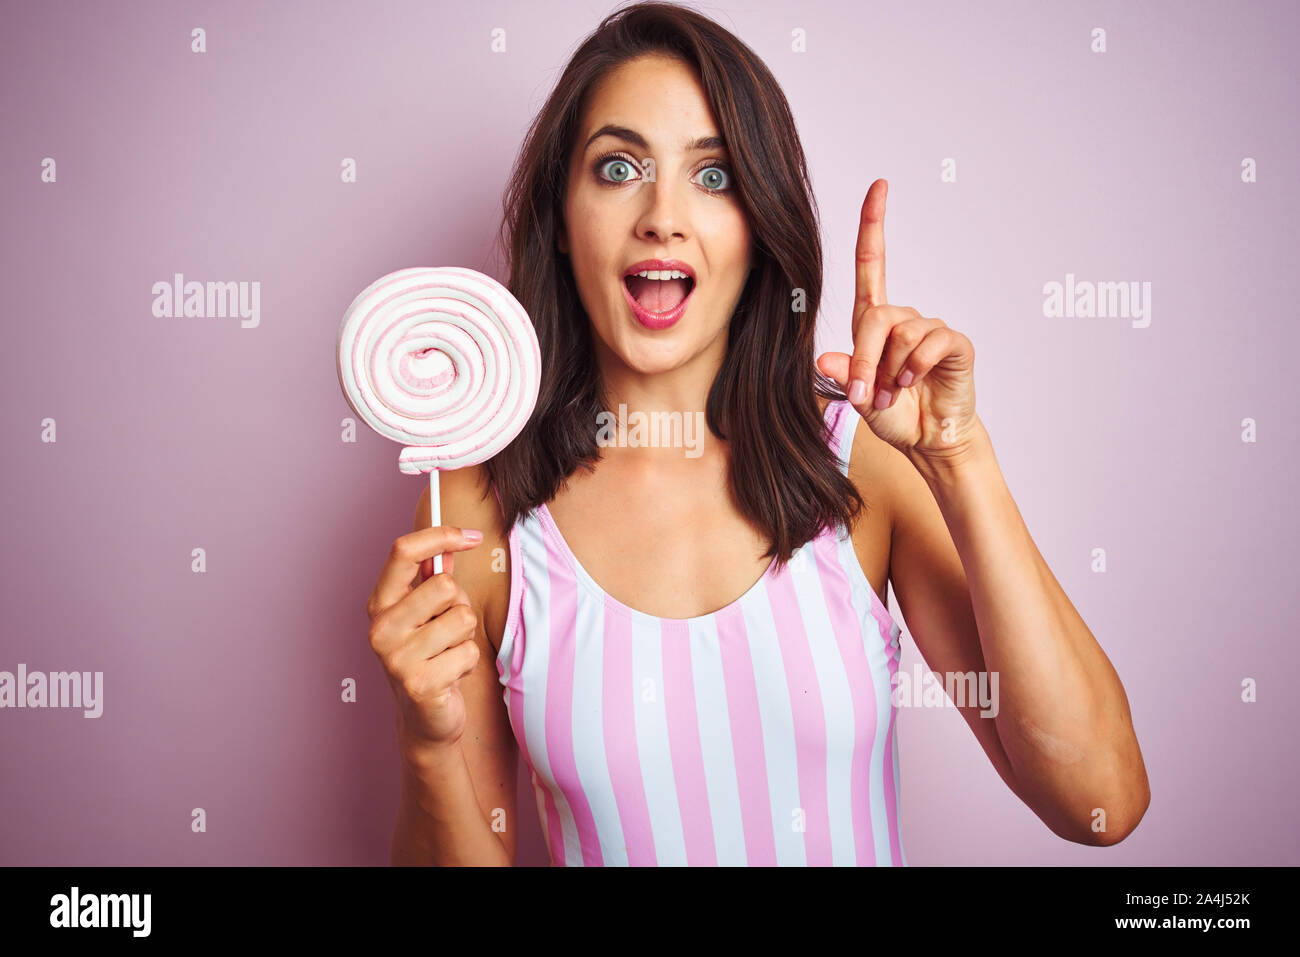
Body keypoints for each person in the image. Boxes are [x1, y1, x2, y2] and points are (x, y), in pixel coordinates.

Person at [365, 1, 1149, 866]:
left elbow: (1100, 802)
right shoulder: (480, 508)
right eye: (618, 166)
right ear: (560, 216)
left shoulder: (857, 459)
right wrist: (426, 749)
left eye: (714, 175)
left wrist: (960, 460)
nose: (662, 215)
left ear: (758, 223)